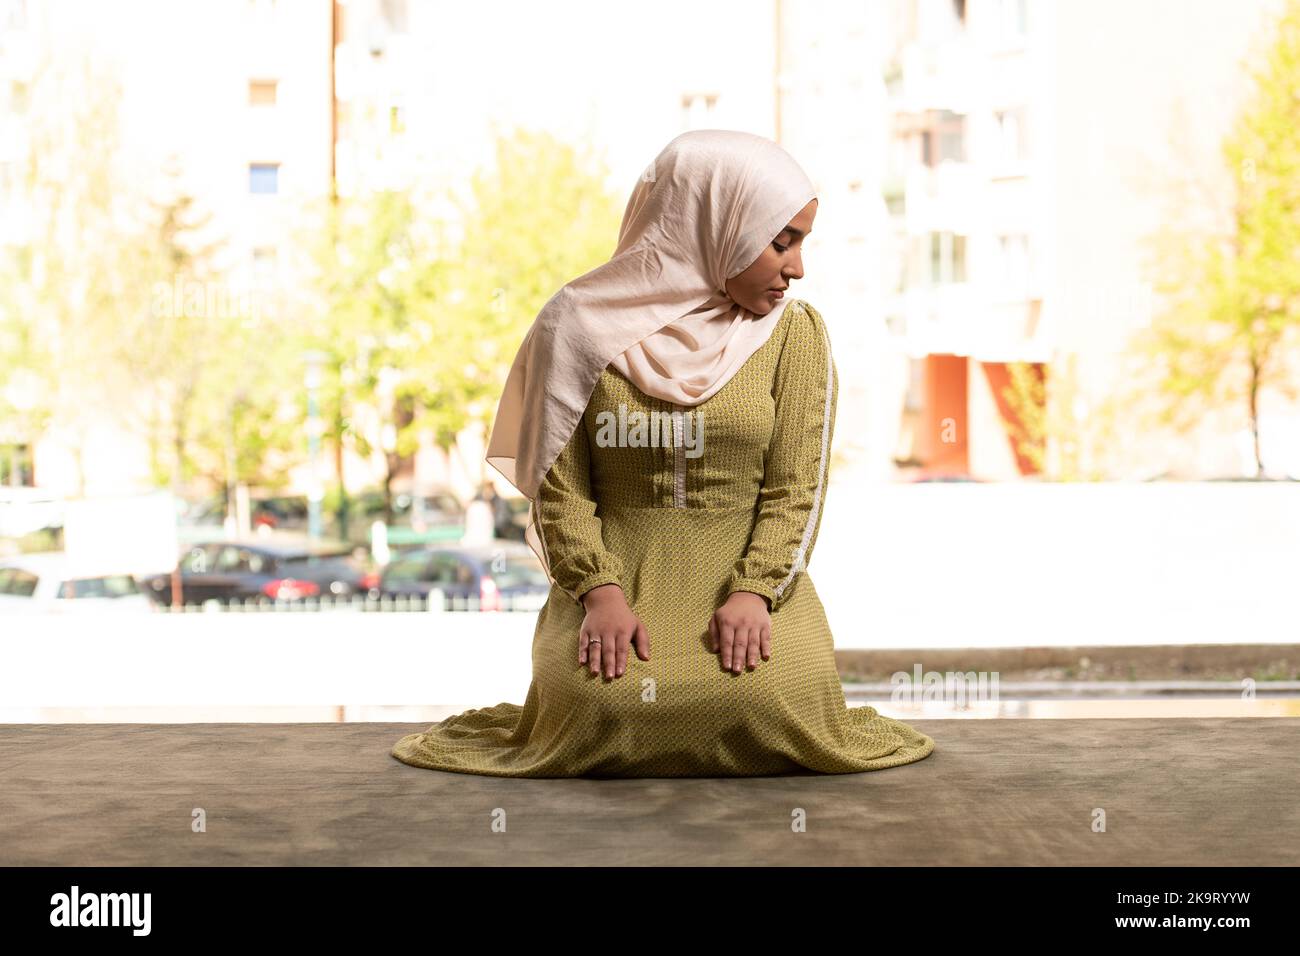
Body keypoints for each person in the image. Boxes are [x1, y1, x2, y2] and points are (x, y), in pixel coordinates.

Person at [391, 129, 936, 777]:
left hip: (750, 583)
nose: (797, 268)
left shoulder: (795, 335)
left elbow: (798, 491)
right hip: (614, 585)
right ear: (713, 225)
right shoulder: (578, 327)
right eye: (781, 241)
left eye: (802, 242)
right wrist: (599, 593)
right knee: (600, 703)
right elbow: (558, 490)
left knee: (764, 696)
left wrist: (757, 593)